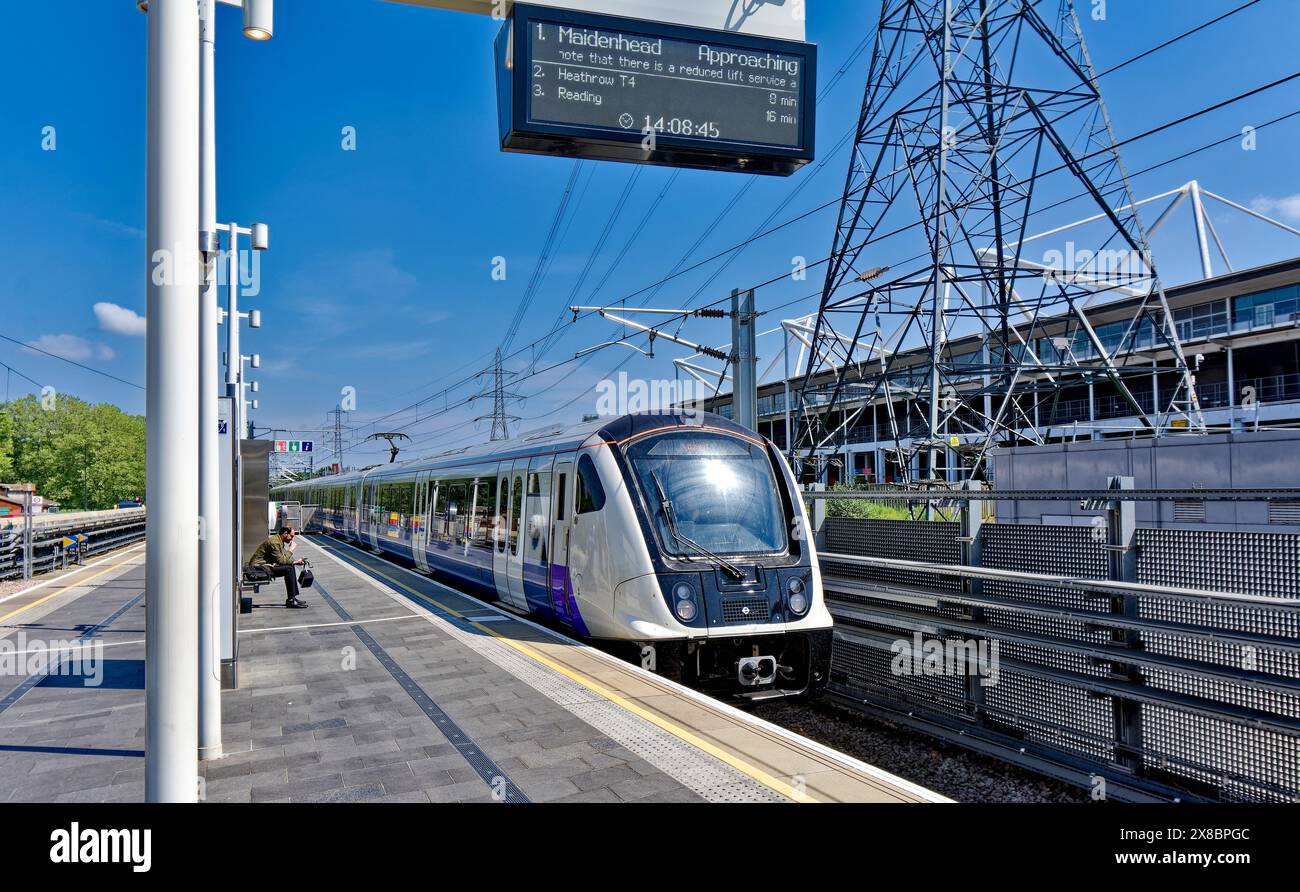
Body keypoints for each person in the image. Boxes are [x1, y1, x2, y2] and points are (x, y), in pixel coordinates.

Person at [251, 526, 309, 609]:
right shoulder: (274, 542)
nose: (292, 539)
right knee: (288, 569)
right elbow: (281, 561)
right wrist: (291, 549)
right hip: (259, 569)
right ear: (285, 534)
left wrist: (296, 562)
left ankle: (292, 598)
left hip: (265, 566)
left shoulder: (279, 540)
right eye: (291, 536)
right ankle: (291, 601)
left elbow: (283, 558)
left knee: (290, 567)